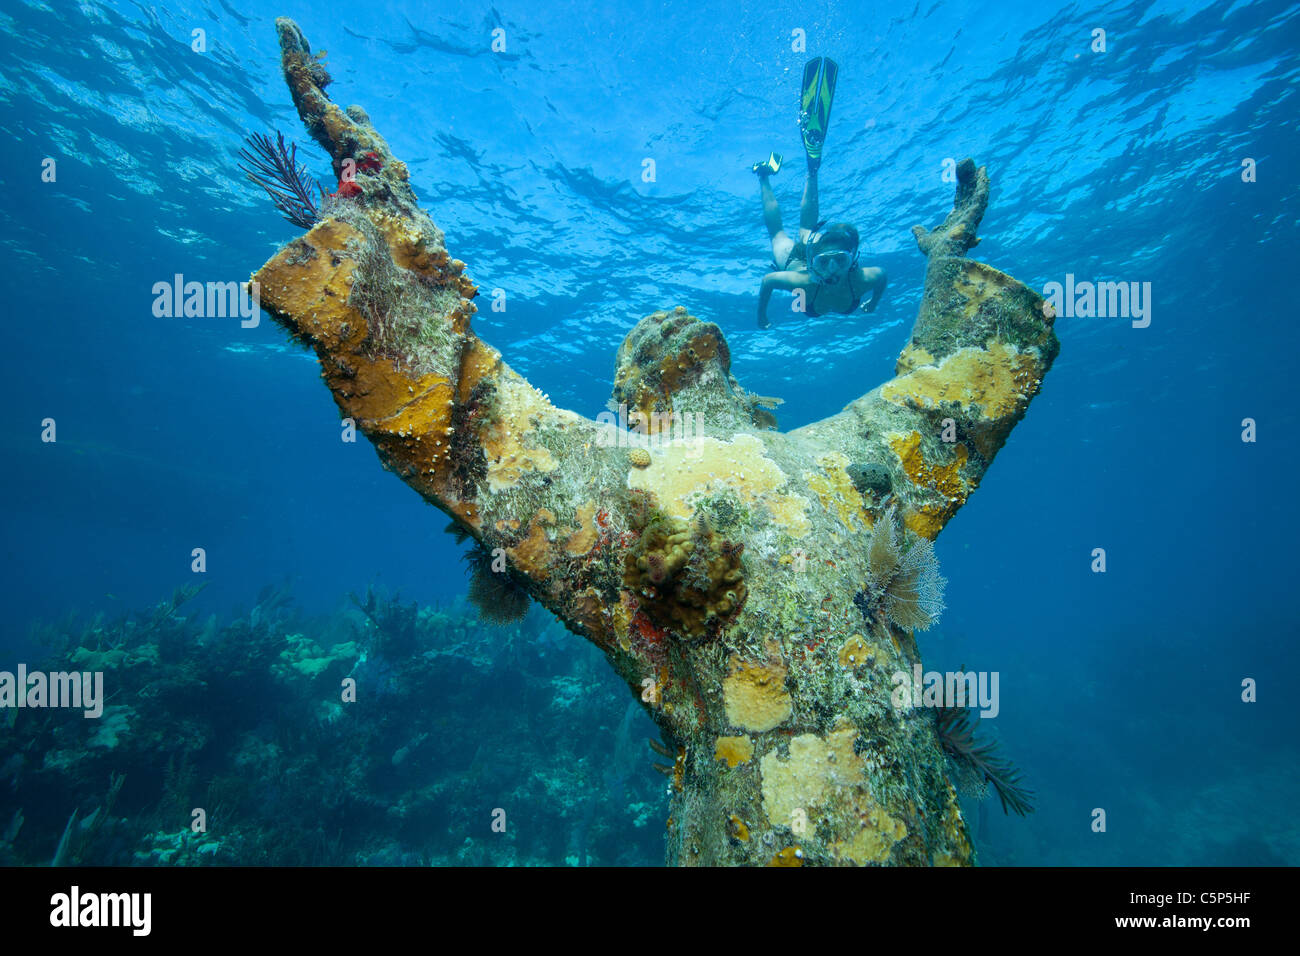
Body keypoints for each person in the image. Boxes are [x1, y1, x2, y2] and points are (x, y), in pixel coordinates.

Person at [752, 57, 887, 329]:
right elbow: (767, 281)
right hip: (800, 261)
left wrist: (874, 302)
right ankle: (778, 174)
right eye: (827, 262)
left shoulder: (859, 278)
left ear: (852, 260)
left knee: (794, 231)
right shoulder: (813, 279)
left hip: (808, 255)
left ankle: (794, 172)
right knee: (785, 232)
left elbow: (882, 277)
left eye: (840, 260)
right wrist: (761, 315)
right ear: (816, 262)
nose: (833, 270)